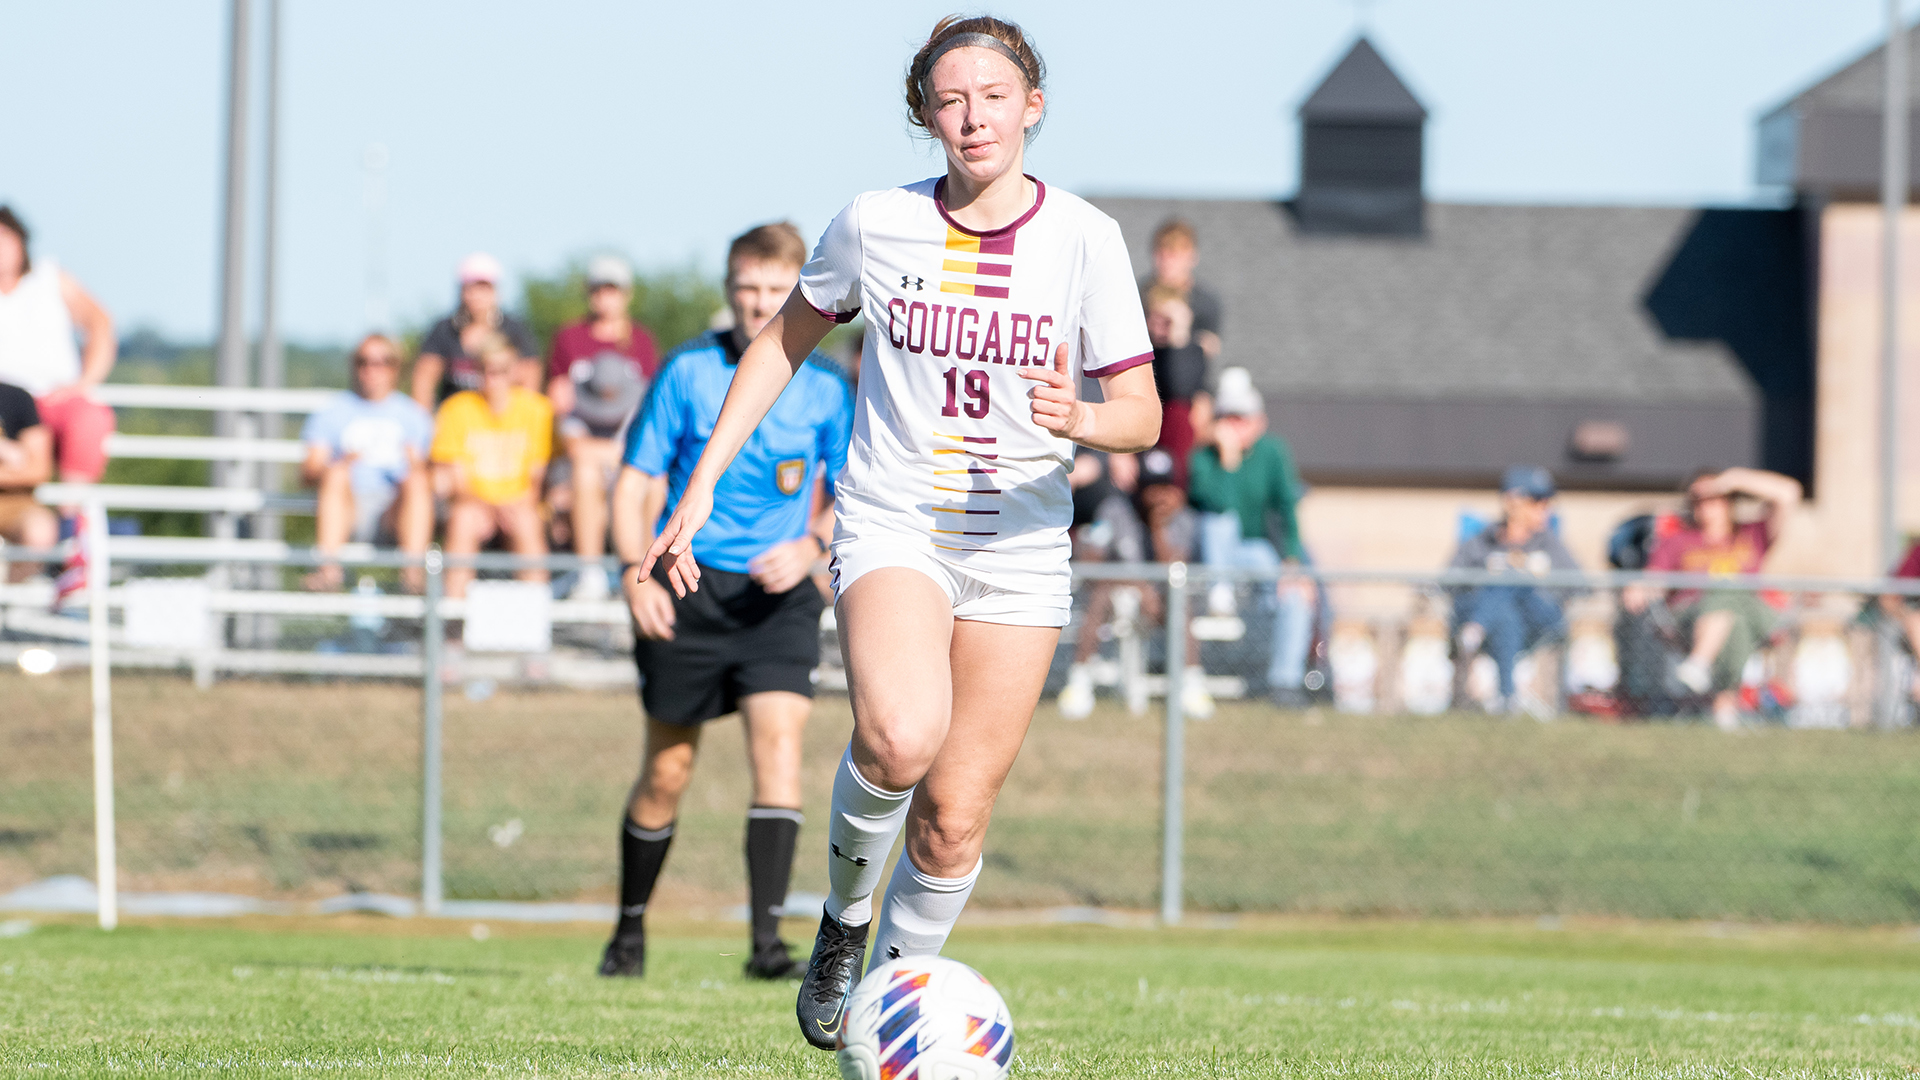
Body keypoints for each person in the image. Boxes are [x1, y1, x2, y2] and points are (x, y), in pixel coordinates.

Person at [633, 16, 1160, 1049]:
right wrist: (699, 486)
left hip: (1018, 547)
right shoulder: (875, 224)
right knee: (899, 736)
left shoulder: (1085, 238)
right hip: (896, 522)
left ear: (1033, 106)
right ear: (925, 113)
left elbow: (1140, 415)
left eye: (995, 97)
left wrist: (1084, 417)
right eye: (952, 100)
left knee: (954, 820)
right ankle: (843, 921)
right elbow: (779, 346)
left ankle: (896, 1001)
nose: (975, 118)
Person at [599, 222, 851, 982]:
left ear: (798, 292)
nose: (759, 302)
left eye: (775, 289)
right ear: (728, 290)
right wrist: (633, 573)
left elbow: (853, 491)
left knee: (778, 748)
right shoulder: (687, 372)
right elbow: (635, 484)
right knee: (667, 769)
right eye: (747, 288)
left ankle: (767, 946)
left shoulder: (827, 387)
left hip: (778, 601)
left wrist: (811, 546)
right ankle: (629, 933)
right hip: (688, 585)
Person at [1621, 467, 1802, 730]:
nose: (1706, 506)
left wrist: (1735, 479)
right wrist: (1639, 587)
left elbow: (1789, 493)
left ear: (1728, 500)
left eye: (1714, 498)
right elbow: (1654, 580)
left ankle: (1699, 663)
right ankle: (1724, 709)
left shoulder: (1752, 534)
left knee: (1729, 589)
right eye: (1698, 500)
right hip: (1692, 617)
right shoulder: (1677, 540)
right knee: (1733, 617)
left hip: (1756, 612)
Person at [0, 206, 117, 596]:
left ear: (21, 242)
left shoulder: (50, 277)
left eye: (5, 239)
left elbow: (99, 322)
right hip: (5, 405)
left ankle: (68, 533)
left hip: (52, 400)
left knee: (89, 417)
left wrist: (85, 382)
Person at [1186, 367, 1314, 706]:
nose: (1234, 425)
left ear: (1258, 421)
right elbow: (1216, 503)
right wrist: (1228, 460)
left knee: (1295, 595)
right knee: (1219, 521)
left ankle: (1285, 683)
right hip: (1208, 556)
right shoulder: (1204, 456)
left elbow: (1287, 508)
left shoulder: (1272, 453)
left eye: (1241, 417)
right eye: (1227, 417)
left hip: (1253, 551)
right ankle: (1220, 590)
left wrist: (1291, 560)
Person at [1057, 447, 1209, 720]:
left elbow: (1176, 571)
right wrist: (1139, 584)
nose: (1157, 495)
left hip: (1162, 599)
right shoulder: (1116, 510)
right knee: (1100, 594)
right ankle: (1079, 682)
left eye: (1163, 486)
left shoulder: (1182, 518)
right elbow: (1091, 568)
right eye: (1150, 486)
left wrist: (1158, 527)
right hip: (1120, 594)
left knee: (1180, 600)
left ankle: (1191, 683)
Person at [548, 256, 659, 600]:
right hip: (583, 451)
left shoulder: (642, 341)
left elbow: (651, 408)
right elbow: (561, 410)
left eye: (612, 290)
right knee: (585, 471)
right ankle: (590, 573)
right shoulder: (570, 338)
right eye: (598, 289)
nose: (605, 298)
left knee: (653, 479)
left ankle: (644, 571)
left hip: (627, 446)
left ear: (625, 294)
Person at [298, 335, 434, 592]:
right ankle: (328, 572)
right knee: (336, 473)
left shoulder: (414, 417)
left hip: (394, 510)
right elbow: (308, 473)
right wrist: (340, 463)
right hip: (348, 505)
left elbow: (433, 480)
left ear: (395, 367)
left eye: (382, 362)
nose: (371, 369)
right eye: (364, 361)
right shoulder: (332, 412)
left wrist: (416, 464)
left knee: (417, 480)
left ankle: (413, 576)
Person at [1448, 465, 1580, 714]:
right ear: (1512, 502)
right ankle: (1507, 700)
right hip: (1504, 623)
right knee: (1507, 617)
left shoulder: (1550, 543)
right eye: (1537, 501)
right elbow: (1450, 581)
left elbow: (1580, 586)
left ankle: (1475, 630)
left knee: (1514, 578)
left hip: (1539, 620)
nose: (1545, 509)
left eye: (1547, 502)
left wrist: (1532, 574)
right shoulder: (1481, 541)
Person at [430, 336, 553, 600]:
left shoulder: (538, 410)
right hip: (473, 505)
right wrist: (489, 507)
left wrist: (507, 507)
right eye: (485, 370)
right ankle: (454, 612)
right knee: (463, 519)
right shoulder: (456, 409)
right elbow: (457, 481)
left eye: (500, 370)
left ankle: (535, 613)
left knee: (526, 521)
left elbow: (536, 481)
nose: (492, 378)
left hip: (519, 505)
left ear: (515, 371)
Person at [411, 253, 540, 408]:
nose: (476, 295)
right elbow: (424, 379)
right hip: (456, 416)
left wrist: (523, 416)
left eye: (483, 288)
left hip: (502, 418)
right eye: (470, 288)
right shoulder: (445, 330)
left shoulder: (514, 330)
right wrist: (424, 418)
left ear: (495, 291)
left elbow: (530, 379)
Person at [1144, 284, 1209, 488]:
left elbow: (1179, 389)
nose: (1161, 327)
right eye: (1157, 319)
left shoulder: (1193, 353)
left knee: (1179, 413)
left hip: (1175, 437)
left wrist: (1177, 339)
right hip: (1145, 428)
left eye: (1168, 321)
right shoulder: (1139, 352)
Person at [0, 379, 56, 581]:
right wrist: (11, 456)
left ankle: (13, 594)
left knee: (39, 531)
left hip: (15, 501)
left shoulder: (16, 397)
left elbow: (38, 469)